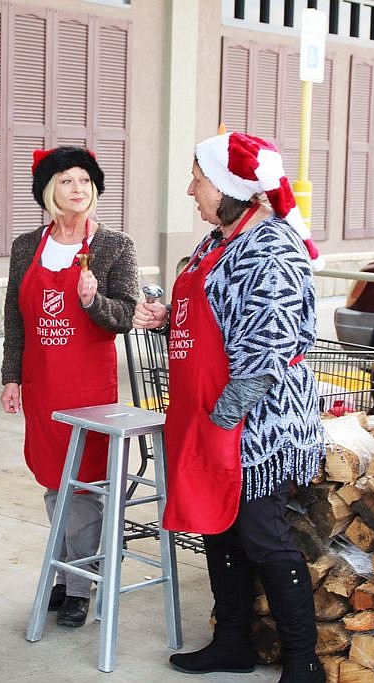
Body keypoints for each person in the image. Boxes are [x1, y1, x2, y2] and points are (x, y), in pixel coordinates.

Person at [133, 132, 326, 681]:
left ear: (227, 186)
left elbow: (272, 347)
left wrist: (220, 421)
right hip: (208, 416)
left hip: (257, 425)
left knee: (263, 535)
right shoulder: (216, 241)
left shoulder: (271, 248)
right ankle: (233, 641)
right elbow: (217, 314)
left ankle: (303, 661)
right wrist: (170, 315)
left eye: (198, 179)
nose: (190, 189)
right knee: (219, 528)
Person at [1, 146, 139, 628]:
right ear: (49, 190)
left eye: (84, 180)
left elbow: (127, 316)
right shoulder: (26, 246)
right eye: (66, 180)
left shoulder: (115, 246)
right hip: (42, 383)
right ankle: (64, 577)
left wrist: (93, 300)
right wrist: (12, 376)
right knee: (51, 480)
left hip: (86, 386)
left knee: (84, 486)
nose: (77, 189)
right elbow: (14, 319)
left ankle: (81, 585)